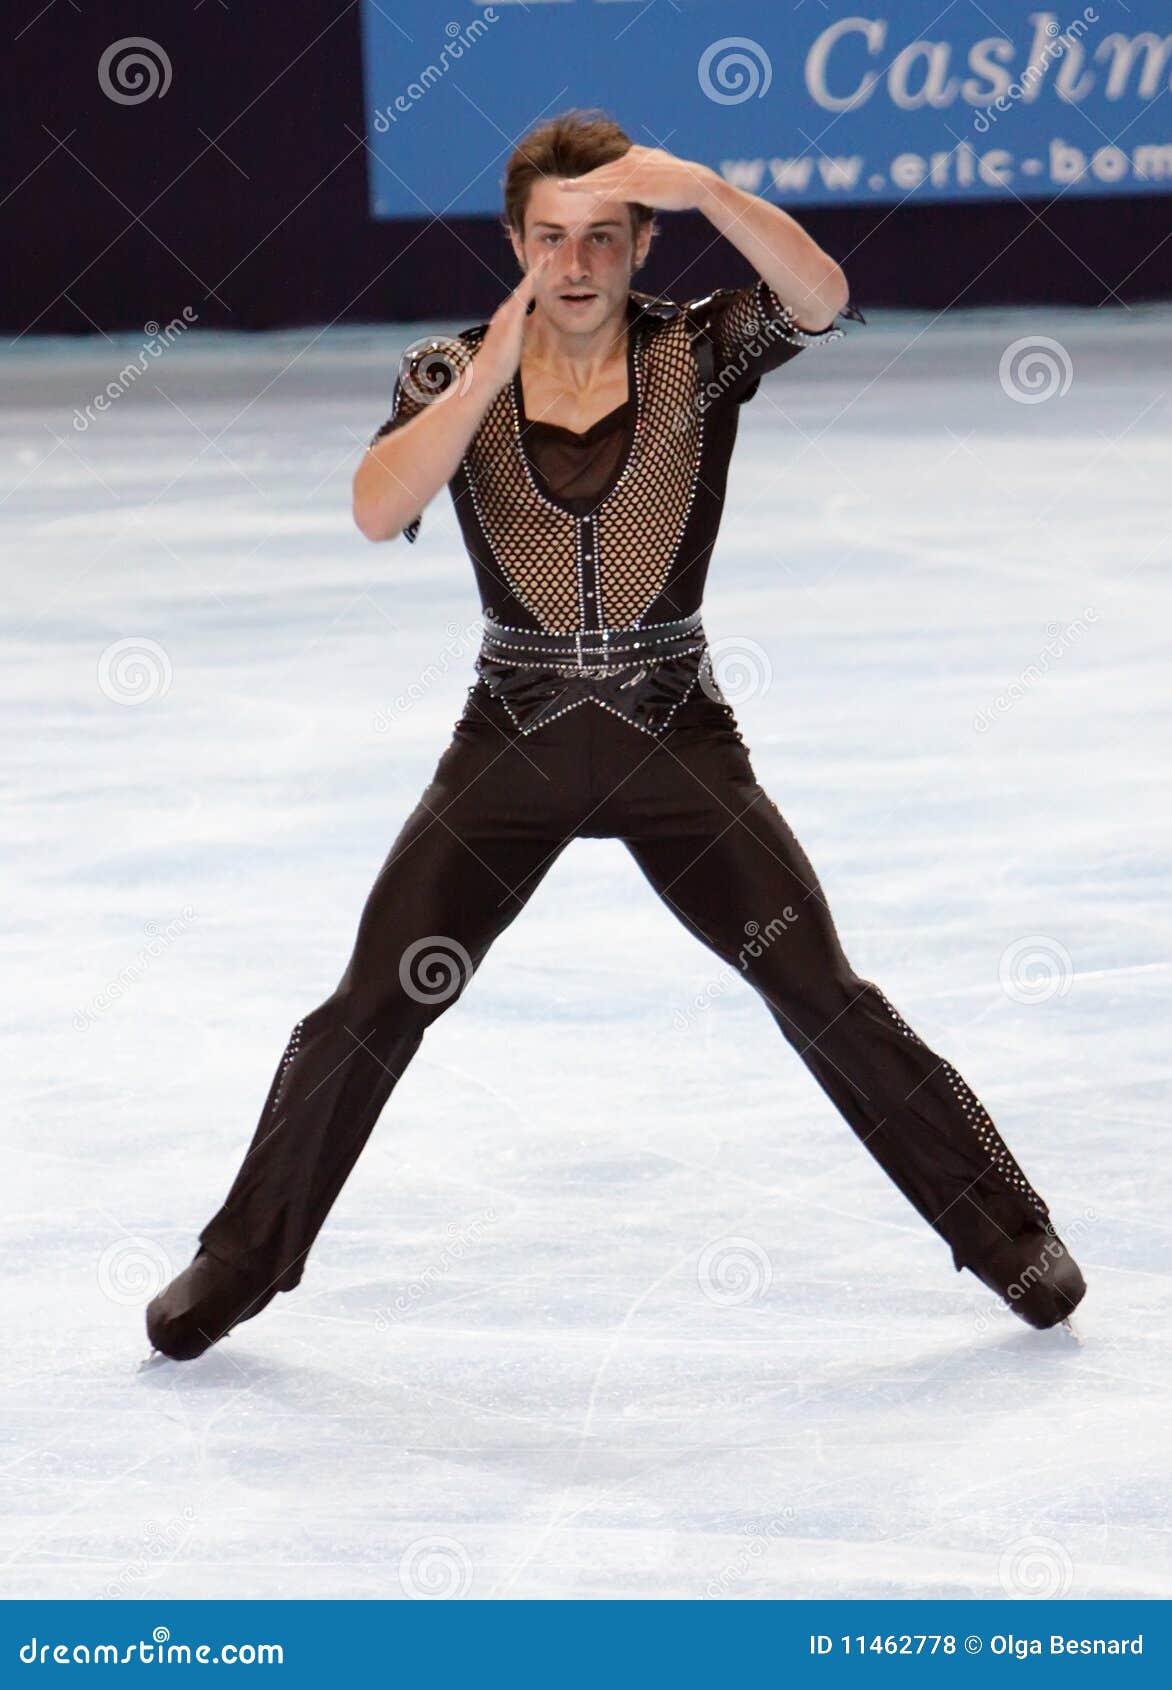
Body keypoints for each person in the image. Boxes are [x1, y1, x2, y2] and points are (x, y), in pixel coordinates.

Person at [145, 110, 1085, 1362]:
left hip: (671, 746)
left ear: (642, 243)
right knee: (372, 1000)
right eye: (549, 240)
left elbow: (817, 293)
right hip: (510, 748)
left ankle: (1006, 1234)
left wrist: (703, 185)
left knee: (816, 988)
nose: (575, 265)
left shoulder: (696, 354)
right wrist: (484, 372)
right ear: (517, 246)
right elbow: (378, 509)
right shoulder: (445, 369)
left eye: (602, 237)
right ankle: (238, 1260)